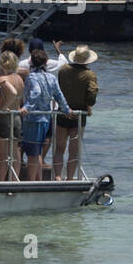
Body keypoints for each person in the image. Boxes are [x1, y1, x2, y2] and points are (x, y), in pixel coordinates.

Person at [20, 48, 70, 181]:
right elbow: (59, 95)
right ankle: (39, 179)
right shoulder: (51, 77)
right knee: (38, 152)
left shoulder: (32, 76)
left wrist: (26, 107)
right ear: (46, 63)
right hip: (46, 118)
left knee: (32, 153)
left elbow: (35, 92)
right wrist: (66, 109)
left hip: (33, 119)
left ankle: (31, 181)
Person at [53, 45, 98, 180]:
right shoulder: (90, 75)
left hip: (62, 112)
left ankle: (57, 176)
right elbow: (91, 96)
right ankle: (70, 178)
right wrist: (89, 107)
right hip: (79, 115)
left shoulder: (63, 70)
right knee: (74, 152)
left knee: (59, 149)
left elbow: (59, 89)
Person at [0, 50, 24, 181]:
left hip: (5, 118)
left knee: (3, 154)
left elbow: (13, 93)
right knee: (15, 151)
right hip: (16, 117)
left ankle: (0, 182)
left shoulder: (3, 79)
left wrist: (4, 106)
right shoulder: (20, 78)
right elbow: (20, 97)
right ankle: (14, 180)